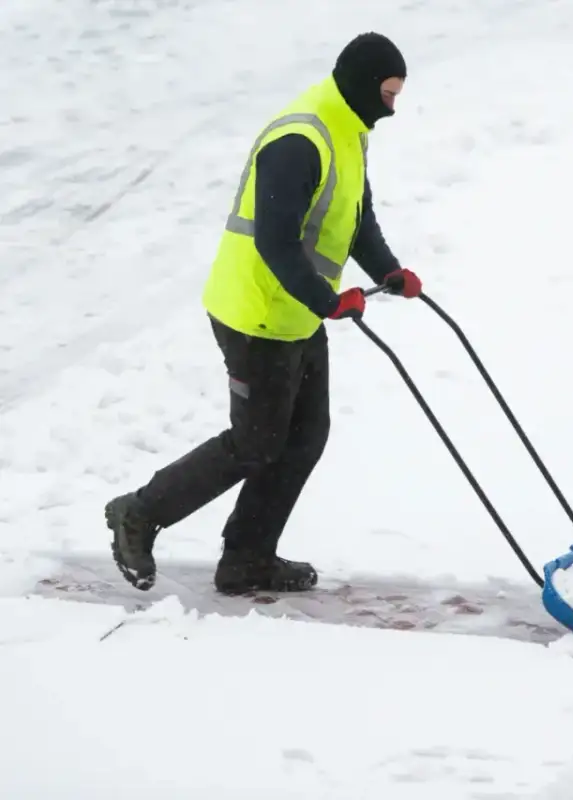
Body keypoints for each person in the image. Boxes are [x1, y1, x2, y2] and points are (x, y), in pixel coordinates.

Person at [103, 31, 422, 595]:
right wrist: (327, 299)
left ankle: (247, 558)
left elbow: (354, 217)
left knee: (304, 436)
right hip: (255, 314)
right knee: (257, 442)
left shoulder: (348, 131)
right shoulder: (301, 138)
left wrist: (386, 273)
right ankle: (139, 511)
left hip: (297, 313)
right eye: (388, 94)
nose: (391, 109)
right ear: (361, 83)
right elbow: (275, 242)